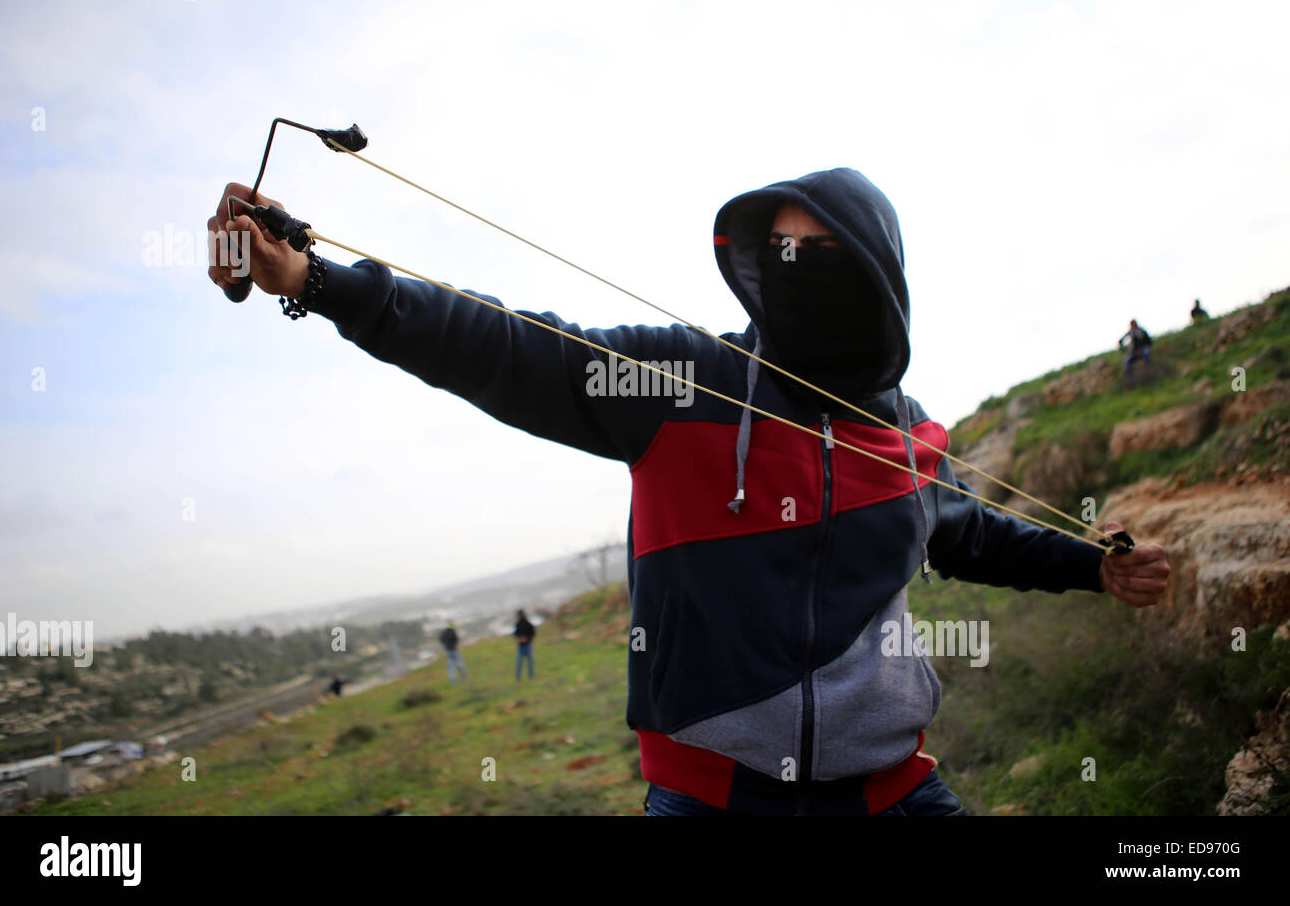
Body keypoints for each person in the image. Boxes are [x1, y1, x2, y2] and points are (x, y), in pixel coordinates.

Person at [207, 167, 1170, 816]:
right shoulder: (678, 384)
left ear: (879, 278)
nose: (792, 279)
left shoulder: (909, 431)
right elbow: (502, 346)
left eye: (817, 258)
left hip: (889, 792)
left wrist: (1095, 566)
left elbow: (967, 533)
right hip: (711, 802)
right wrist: (319, 281)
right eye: (777, 258)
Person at [513, 610, 535, 681]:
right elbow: (516, 634)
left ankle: (530, 677)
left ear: (521, 615)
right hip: (521, 646)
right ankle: (518, 678)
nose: (517, 616)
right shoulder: (518, 624)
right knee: (520, 663)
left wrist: (526, 639)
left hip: (527, 646)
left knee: (529, 662)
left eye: (518, 615)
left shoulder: (527, 624)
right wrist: (519, 639)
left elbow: (532, 634)